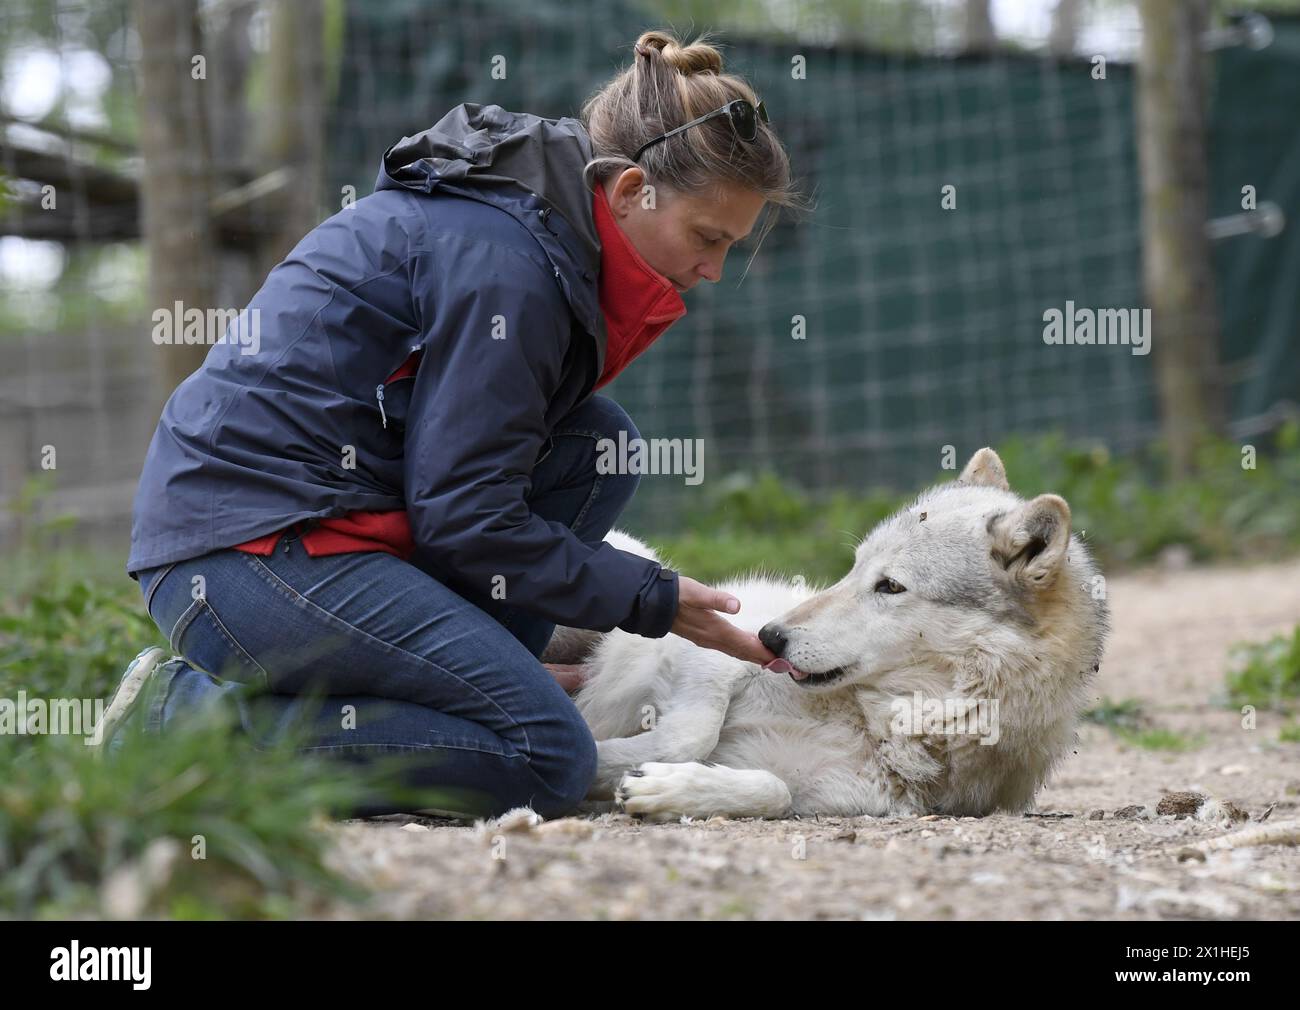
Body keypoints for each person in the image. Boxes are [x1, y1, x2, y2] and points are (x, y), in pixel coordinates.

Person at [96, 29, 805, 820]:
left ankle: (467, 699)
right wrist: (651, 597)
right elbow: (466, 515)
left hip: (314, 527)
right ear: (633, 187)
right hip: (242, 556)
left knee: (596, 448)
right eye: (708, 239)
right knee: (544, 761)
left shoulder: (539, 239)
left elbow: (472, 492)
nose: (712, 271)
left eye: (728, 250)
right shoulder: (510, 268)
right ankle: (182, 717)